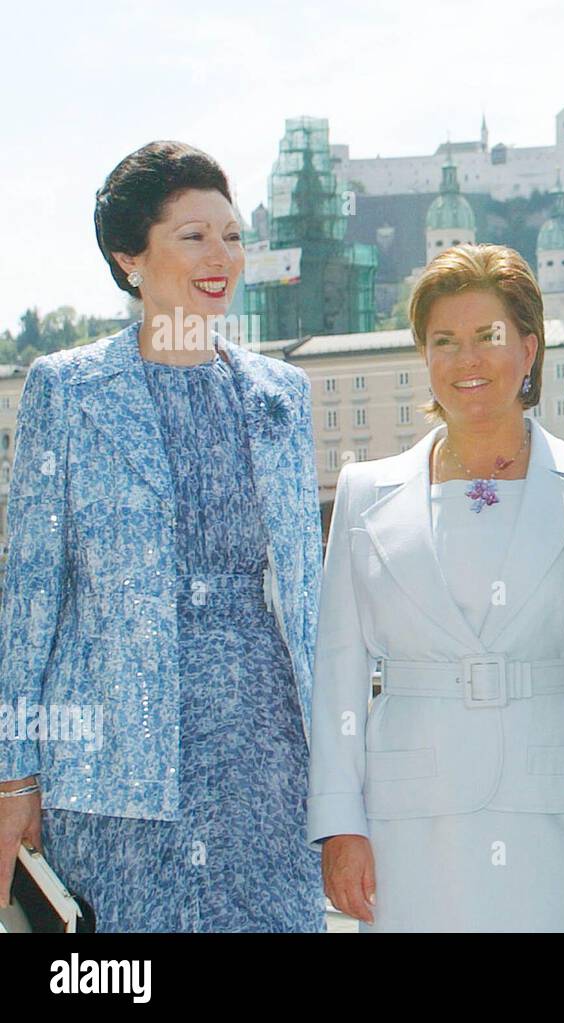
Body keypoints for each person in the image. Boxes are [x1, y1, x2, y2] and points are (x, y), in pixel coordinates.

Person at [0, 141, 324, 931]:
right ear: (129, 257)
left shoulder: (282, 393)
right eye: (193, 236)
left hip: (266, 758)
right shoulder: (66, 389)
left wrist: (341, 771)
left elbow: (310, 598)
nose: (222, 257)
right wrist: (14, 776)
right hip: (116, 771)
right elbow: (28, 595)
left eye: (234, 235)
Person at [309, 243, 564, 932]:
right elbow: (338, 674)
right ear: (423, 355)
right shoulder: (365, 494)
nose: (466, 360)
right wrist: (339, 823)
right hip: (411, 820)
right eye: (444, 341)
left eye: (490, 337)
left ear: (531, 349)